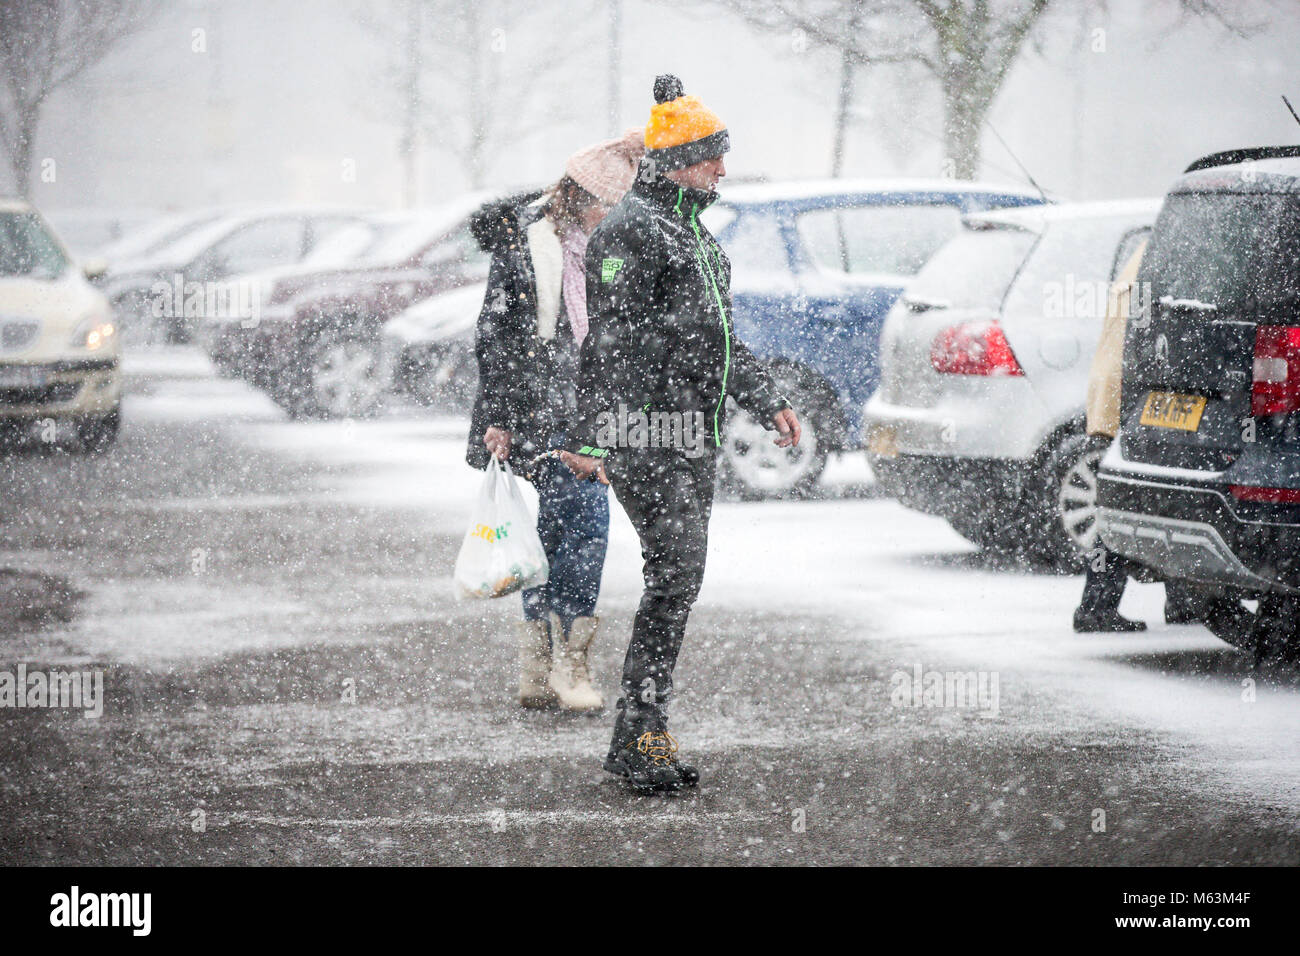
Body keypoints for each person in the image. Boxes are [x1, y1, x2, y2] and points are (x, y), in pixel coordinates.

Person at [560, 75, 801, 793]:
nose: (722, 169)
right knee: (674, 578)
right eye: (711, 157)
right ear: (676, 162)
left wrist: (765, 397)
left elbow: (718, 339)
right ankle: (641, 737)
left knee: (678, 579)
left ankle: (639, 734)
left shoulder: (691, 232)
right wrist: (594, 438)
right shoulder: (633, 231)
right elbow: (608, 344)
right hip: (647, 435)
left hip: (692, 434)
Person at [466, 130, 645, 711]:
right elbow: (497, 334)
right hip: (538, 410)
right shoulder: (526, 245)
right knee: (585, 529)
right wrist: (499, 415)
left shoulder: (613, 249)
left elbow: (624, 335)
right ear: (578, 195)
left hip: (592, 410)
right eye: (603, 206)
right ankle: (565, 666)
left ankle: (542, 665)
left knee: (560, 535)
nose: (607, 217)